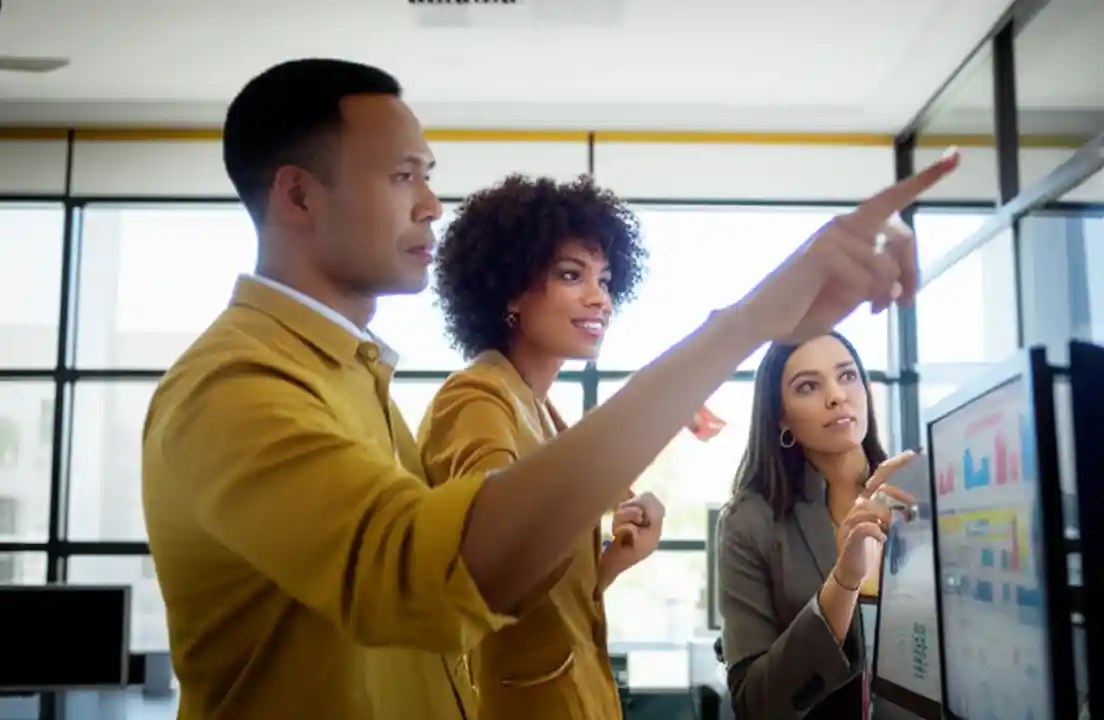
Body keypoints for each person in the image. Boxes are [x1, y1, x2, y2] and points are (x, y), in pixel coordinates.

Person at [140, 55, 957, 720]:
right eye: (402, 177)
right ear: (298, 194)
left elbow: (460, 617)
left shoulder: (354, 380)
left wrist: (597, 566)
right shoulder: (238, 385)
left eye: (428, 176)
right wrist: (739, 326)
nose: (429, 204)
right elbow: (443, 574)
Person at [416, 173, 659, 719]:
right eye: (572, 275)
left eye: (606, 277)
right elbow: (494, 570)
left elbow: (545, 591)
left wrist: (610, 564)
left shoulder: (541, 410)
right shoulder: (476, 399)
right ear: (509, 290)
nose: (600, 298)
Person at [716, 331, 919, 719]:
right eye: (808, 386)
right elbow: (756, 705)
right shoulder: (750, 522)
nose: (836, 396)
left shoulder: (916, 493)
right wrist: (844, 581)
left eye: (847, 377)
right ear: (780, 415)